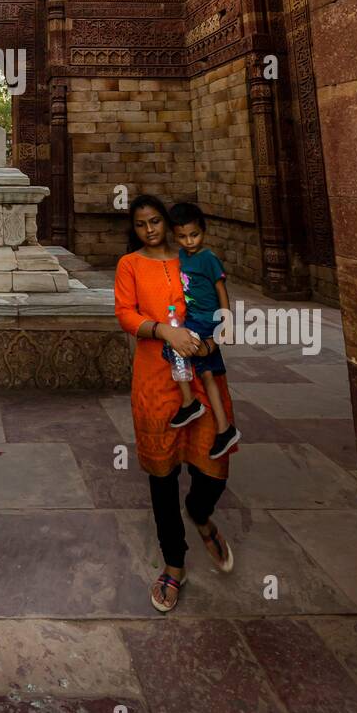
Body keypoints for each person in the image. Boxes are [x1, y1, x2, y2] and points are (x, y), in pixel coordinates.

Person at [114, 194, 238, 613]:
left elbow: (215, 302)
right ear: (133, 230)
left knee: (214, 468)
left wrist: (213, 335)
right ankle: (175, 562)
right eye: (141, 224)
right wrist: (165, 333)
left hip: (203, 375)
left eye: (155, 222)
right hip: (156, 379)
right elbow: (126, 314)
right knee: (162, 475)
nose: (150, 230)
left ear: (168, 222)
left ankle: (200, 513)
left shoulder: (192, 257)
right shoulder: (129, 265)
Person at [166, 201, 241, 459]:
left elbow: (221, 290)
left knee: (172, 345)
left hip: (206, 320)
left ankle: (189, 402)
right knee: (208, 374)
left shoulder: (208, 258)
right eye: (183, 237)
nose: (189, 241)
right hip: (194, 317)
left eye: (194, 235)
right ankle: (224, 428)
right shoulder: (182, 258)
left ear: (204, 231)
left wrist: (226, 323)